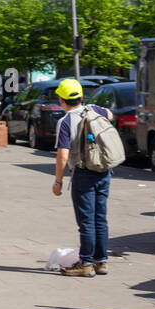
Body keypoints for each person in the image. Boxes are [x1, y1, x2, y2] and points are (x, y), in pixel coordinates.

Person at [51, 78, 113, 276]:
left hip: (83, 173)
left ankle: (86, 263)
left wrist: (58, 182)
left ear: (61, 100)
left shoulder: (65, 121)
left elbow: (63, 155)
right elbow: (110, 115)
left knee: (86, 220)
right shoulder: (97, 110)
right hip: (104, 170)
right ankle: (101, 262)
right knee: (100, 218)